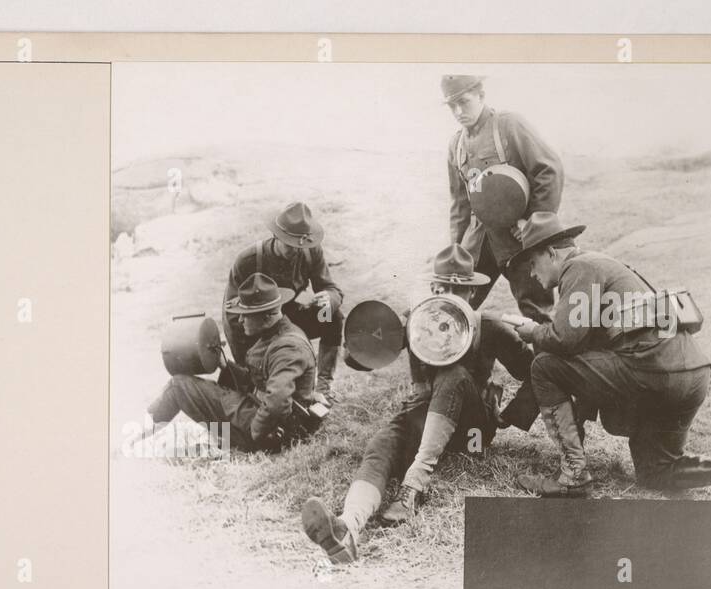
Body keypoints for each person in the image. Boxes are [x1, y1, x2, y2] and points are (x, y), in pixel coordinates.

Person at [505, 212, 711, 500]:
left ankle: (573, 474)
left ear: (551, 253)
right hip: (692, 376)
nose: (532, 275)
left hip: (652, 371)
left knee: (545, 366)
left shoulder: (578, 268)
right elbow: (585, 357)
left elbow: (564, 340)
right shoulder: (604, 265)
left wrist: (533, 331)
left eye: (532, 264)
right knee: (656, 472)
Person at [300, 244, 534, 564]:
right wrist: (366, 339)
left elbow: (533, 370)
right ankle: (348, 527)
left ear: (472, 294)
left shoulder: (486, 326)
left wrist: (510, 415)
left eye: (460, 290)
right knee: (380, 446)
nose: (450, 294)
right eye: (444, 287)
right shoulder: (417, 323)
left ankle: (413, 488)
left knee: (453, 375)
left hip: (470, 430)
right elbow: (358, 359)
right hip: (423, 415)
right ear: (434, 286)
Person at [442, 74, 561, 430]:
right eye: (452, 105)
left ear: (481, 95)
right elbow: (460, 202)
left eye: (465, 101)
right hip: (481, 241)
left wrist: (537, 225)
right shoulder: (456, 145)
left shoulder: (509, 125)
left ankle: (534, 403)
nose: (459, 111)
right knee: (455, 312)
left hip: (521, 240)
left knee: (539, 322)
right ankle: (460, 398)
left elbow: (548, 169)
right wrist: (456, 249)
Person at [147, 273, 321, 453]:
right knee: (186, 387)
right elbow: (261, 383)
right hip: (262, 417)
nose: (240, 320)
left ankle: (139, 436)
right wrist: (226, 366)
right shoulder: (278, 334)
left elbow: (277, 402)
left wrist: (256, 435)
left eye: (246, 315)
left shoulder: (288, 348)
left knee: (178, 386)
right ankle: (145, 429)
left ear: (267, 316)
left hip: (270, 433)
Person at [224, 202, 345, 396]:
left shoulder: (310, 251)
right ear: (275, 236)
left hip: (292, 319)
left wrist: (328, 299)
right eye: (289, 244)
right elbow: (232, 317)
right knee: (266, 386)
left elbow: (330, 288)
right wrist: (245, 364)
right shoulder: (249, 260)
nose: (296, 250)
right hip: (261, 327)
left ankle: (324, 387)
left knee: (332, 316)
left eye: (300, 244)